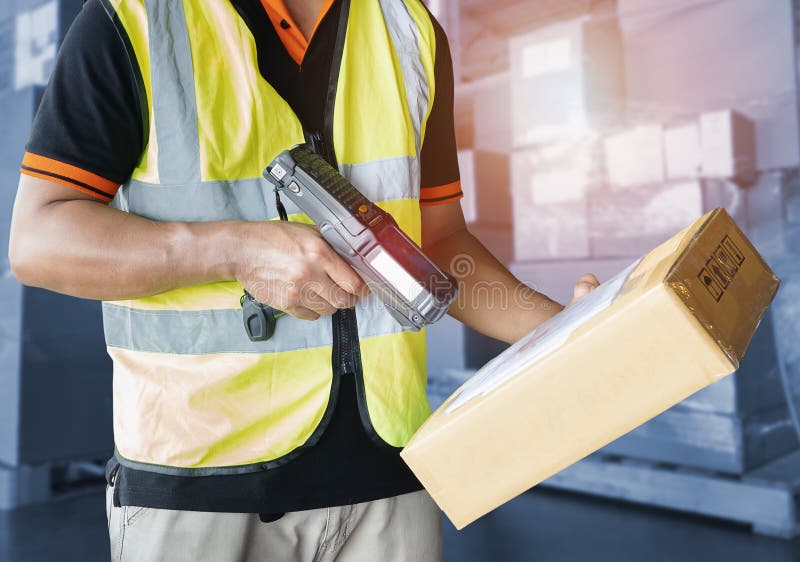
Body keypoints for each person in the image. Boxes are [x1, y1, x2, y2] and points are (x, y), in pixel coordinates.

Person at [8, 0, 599, 560]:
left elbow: (439, 244)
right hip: (202, 491)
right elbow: (39, 242)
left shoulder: (410, 28)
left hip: (388, 483)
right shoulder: (137, 19)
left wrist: (563, 331)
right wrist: (233, 251)